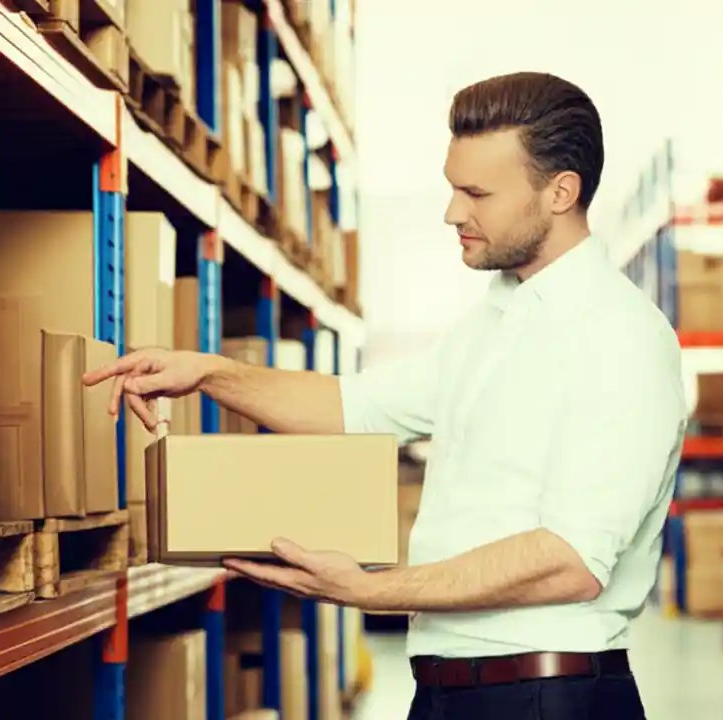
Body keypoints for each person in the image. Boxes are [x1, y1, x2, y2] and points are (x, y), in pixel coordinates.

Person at [83, 71, 684, 720]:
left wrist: (371, 590)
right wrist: (210, 374)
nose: (453, 212)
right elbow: (353, 407)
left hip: (547, 696)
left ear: (560, 192)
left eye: (476, 192)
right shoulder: (497, 321)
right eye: (452, 187)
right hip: (453, 690)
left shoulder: (620, 337)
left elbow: (571, 562)